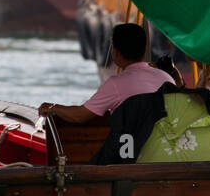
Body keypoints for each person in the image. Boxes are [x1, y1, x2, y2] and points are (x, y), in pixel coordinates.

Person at [38, 22, 174, 123]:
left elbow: (79, 115)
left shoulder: (116, 84)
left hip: (133, 152)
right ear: (144, 50)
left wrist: (53, 108)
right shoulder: (166, 77)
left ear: (115, 52)